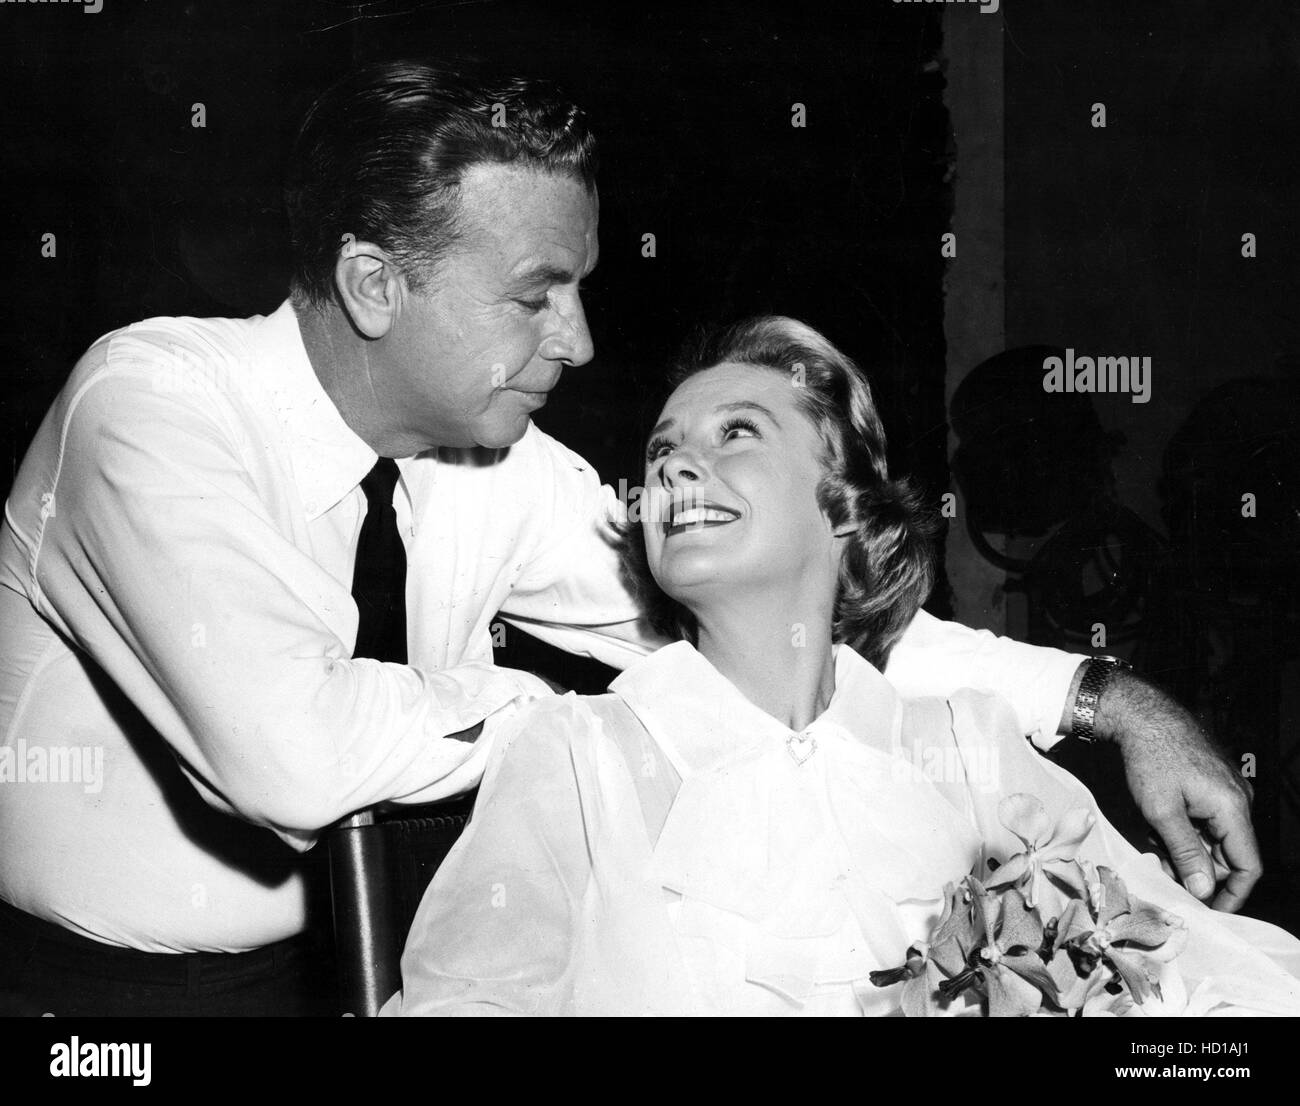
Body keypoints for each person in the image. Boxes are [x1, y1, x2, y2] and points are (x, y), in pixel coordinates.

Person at [0, 61, 1254, 1016]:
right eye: (535, 292)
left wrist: (1108, 699)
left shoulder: (495, 466)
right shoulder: (148, 407)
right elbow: (289, 756)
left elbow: (809, 621)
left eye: (582, 284)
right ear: (376, 285)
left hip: (356, 966)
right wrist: (567, 710)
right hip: (88, 1000)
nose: (581, 340)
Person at [386, 317, 1300, 1017]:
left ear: (843, 509)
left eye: (734, 433)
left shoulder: (965, 746)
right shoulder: (578, 758)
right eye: (662, 451)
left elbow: (1191, 973)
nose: (674, 471)